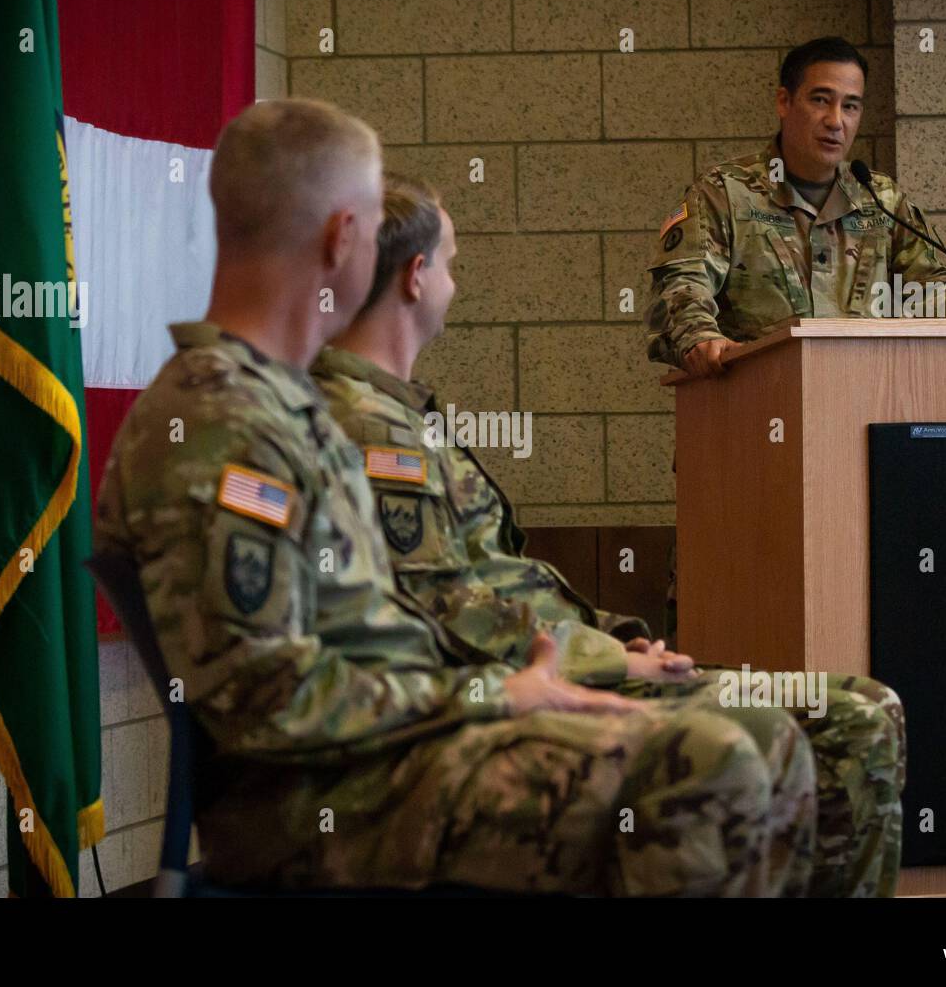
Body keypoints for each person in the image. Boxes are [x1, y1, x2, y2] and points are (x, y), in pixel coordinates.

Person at [93, 98, 817, 896]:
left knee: (756, 740)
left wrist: (543, 684)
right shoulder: (220, 423)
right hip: (333, 802)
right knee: (709, 769)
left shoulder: (283, 404)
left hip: (407, 752)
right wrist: (500, 694)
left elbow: (389, 633)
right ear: (345, 238)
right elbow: (266, 698)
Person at [312, 173, 906, 897]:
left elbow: (497, 583)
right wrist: (610, 662)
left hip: (563, 664)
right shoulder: (368, 428)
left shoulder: (398, 415)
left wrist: (614, 638)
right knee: (815, 726)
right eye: (453, 263)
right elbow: (445, 608)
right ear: (415, 276)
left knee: (862, 710)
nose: (454, 284)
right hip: (490, 705)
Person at [645, 35, 946, 381]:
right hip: (761, 401)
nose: (836, 120)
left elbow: (931, 282)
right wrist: (701, 338)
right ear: (784, 101)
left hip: (872, 396)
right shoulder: (725, 193)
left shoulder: (880, 199)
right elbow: (681, 286)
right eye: (821, 100)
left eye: (851, 106)